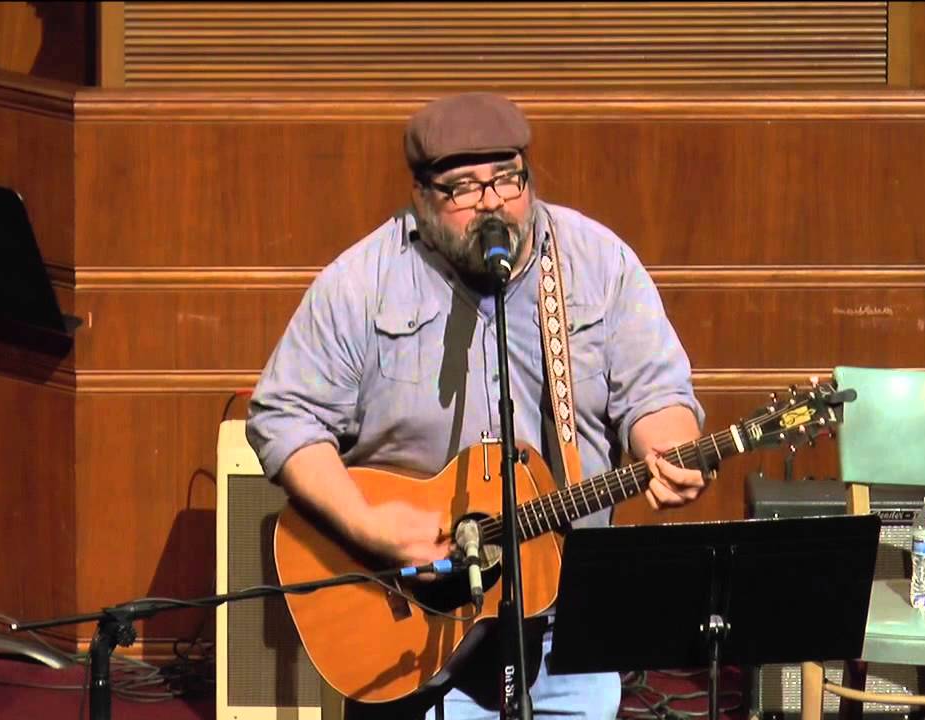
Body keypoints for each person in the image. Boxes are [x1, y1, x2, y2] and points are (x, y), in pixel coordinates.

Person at [247, 92, 708, 720]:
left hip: (564, 624)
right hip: (415, 630)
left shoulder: (597, 264)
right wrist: (366, 526)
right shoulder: (364, 280)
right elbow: (283, 417)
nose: (492, 202)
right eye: (463, 188)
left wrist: (665, 440)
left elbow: (657, 395)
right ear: (421, 197)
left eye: (507, 179)